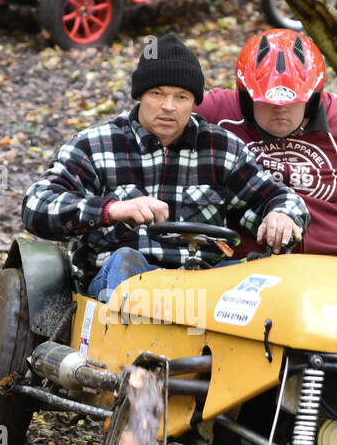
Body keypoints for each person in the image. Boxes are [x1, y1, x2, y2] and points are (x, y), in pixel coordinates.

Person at [22, 34, 310, 301]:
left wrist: (282, 216)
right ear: (140, 96)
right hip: (117, 286)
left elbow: (280, 197)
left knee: (264, 281)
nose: (168, 106)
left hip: (204, 288)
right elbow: (36, 206)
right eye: (157, 94)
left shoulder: (222, 149)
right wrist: (112, 210)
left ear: (195, 103)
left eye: (181, 97)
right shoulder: (95, 145)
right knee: (125, 260)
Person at [195, 29, 337, 258]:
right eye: (267, 103)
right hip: (248, 262)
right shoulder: (217, 113)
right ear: (246, 97)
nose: (280, 110)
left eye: (292, 102)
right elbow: (163, 111)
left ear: (311, 98)